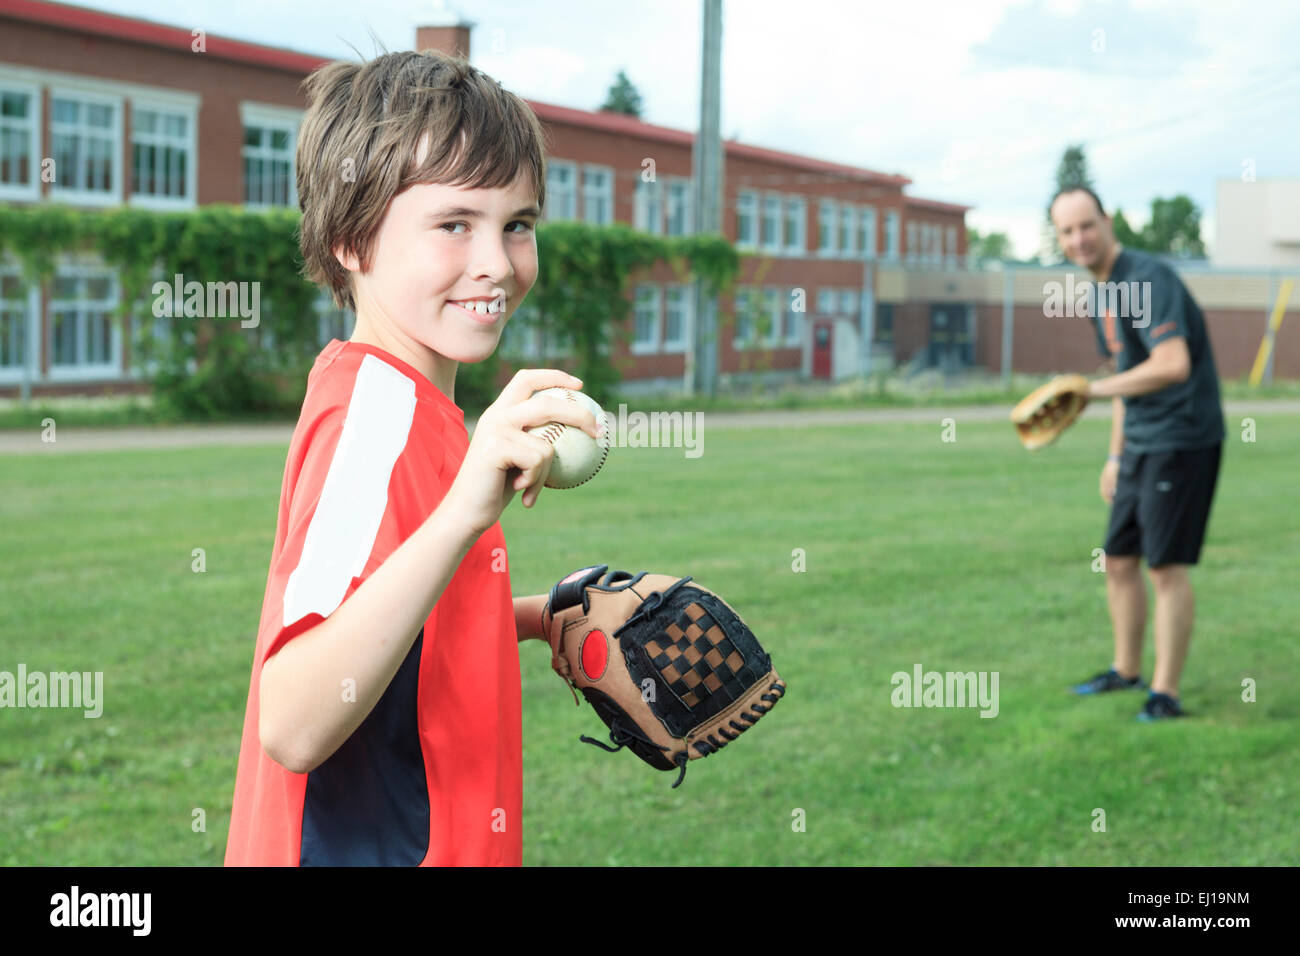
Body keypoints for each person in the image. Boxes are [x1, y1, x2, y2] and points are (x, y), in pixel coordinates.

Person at [224, 50, 601, 865]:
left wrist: (538, 619)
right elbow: (291, 718)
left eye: (518, 224)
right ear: (351, 240)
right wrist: (468, 504)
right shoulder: (376, 419)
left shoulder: (409, 408)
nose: (498, 263)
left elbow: (392, 644)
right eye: (454, 223)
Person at [1049, 185, 1225, 721]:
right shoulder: (1100, 292)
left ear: (1107, 221)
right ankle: (1126, 670)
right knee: (1119, 560)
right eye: (1067, 231)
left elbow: (1173, 364)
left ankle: (1165, 695)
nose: (1079, 239)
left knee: (1164, 567)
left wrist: (1087, 392)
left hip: (1182, 439)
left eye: (1086, 225)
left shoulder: (1148, 278)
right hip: (1141, 443)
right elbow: (1126, 378)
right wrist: (1113, 456)